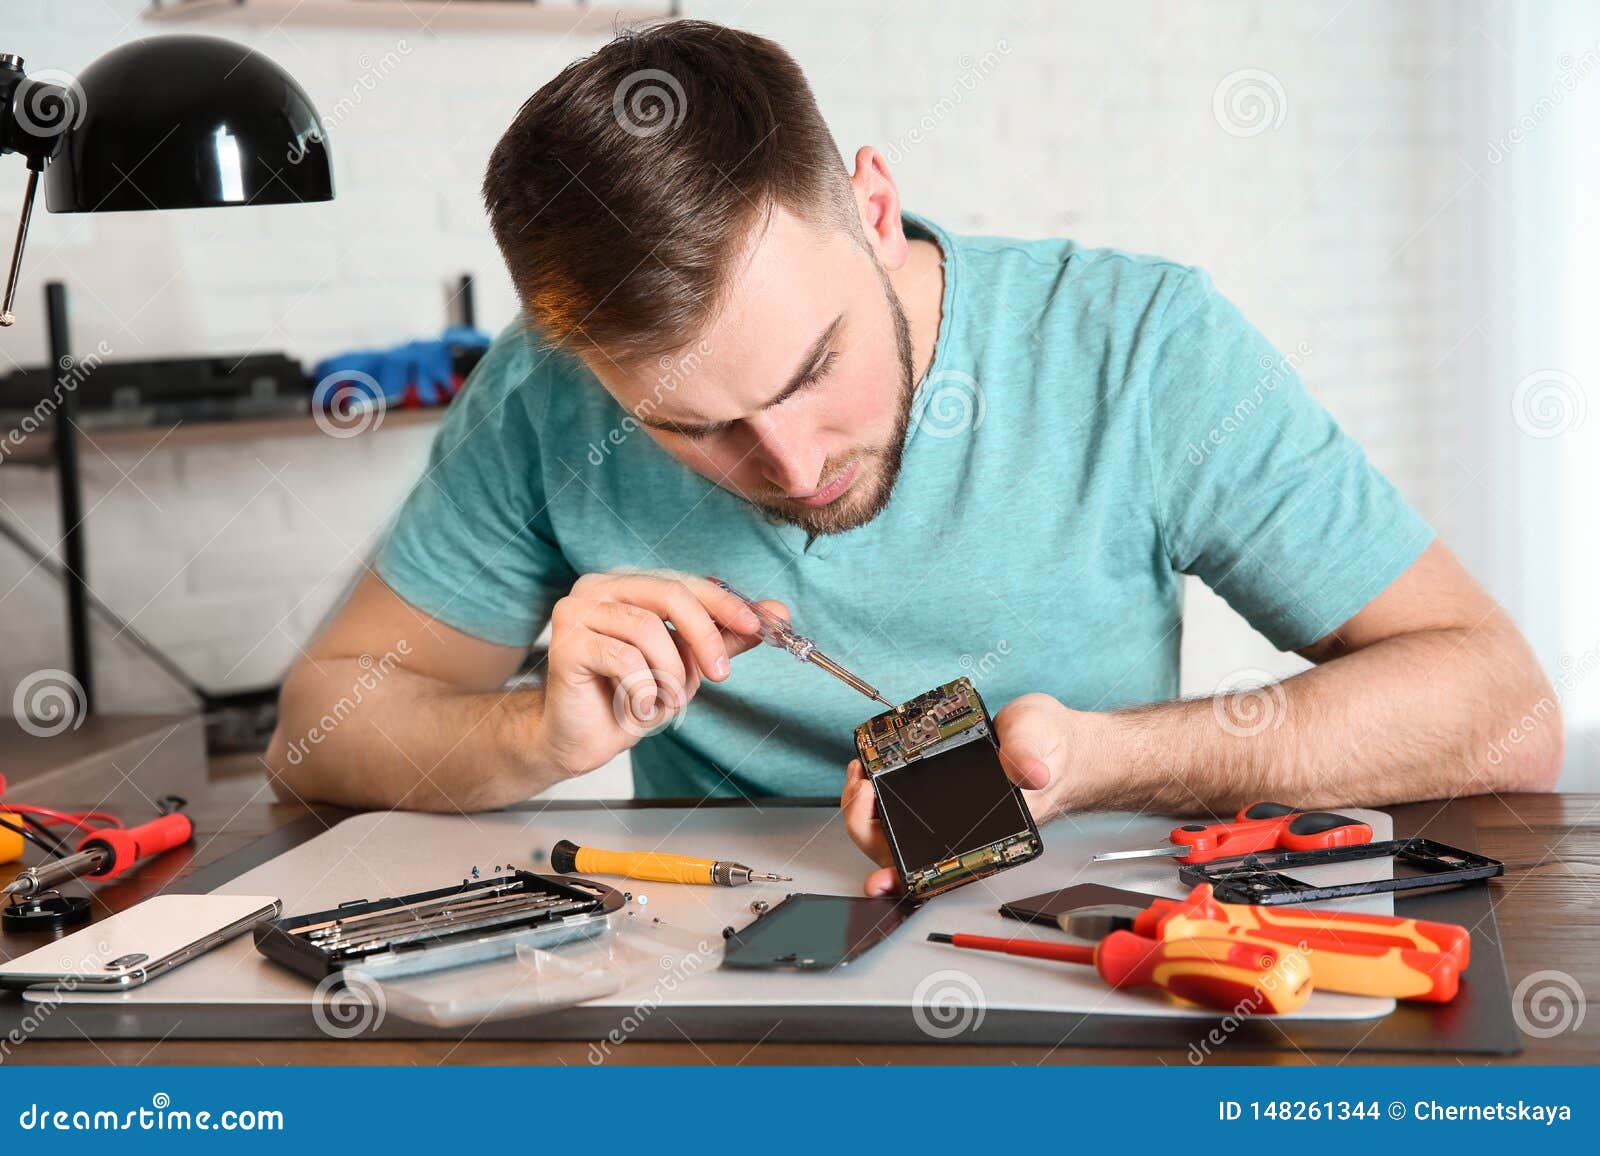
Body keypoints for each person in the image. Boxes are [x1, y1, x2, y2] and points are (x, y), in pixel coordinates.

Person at [268, 21, 1559, 896]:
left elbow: (1500, 710)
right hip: (719, 986)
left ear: (874, 208)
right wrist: (536, 736)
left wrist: (1110, 760)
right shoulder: (547, 393)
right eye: (694, 426)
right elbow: (316, 736)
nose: (788, 463)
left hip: (1081, 953)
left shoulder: (1141, 345)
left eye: (814, 369)